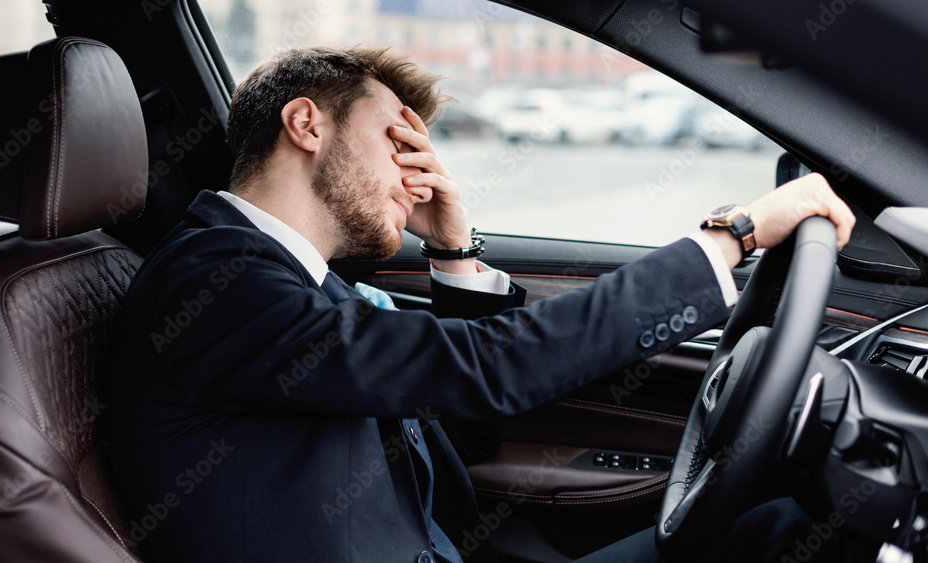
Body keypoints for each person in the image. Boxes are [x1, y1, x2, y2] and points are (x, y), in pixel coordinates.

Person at [106, 46, 858, 563]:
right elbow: (489, 365)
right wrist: (733, 235)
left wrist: (453, 247)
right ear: (307, 124)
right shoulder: (214, 281)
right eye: (399, 142)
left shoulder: (303, 281)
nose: (420, 176)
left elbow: (459, 432)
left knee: (795, 526)